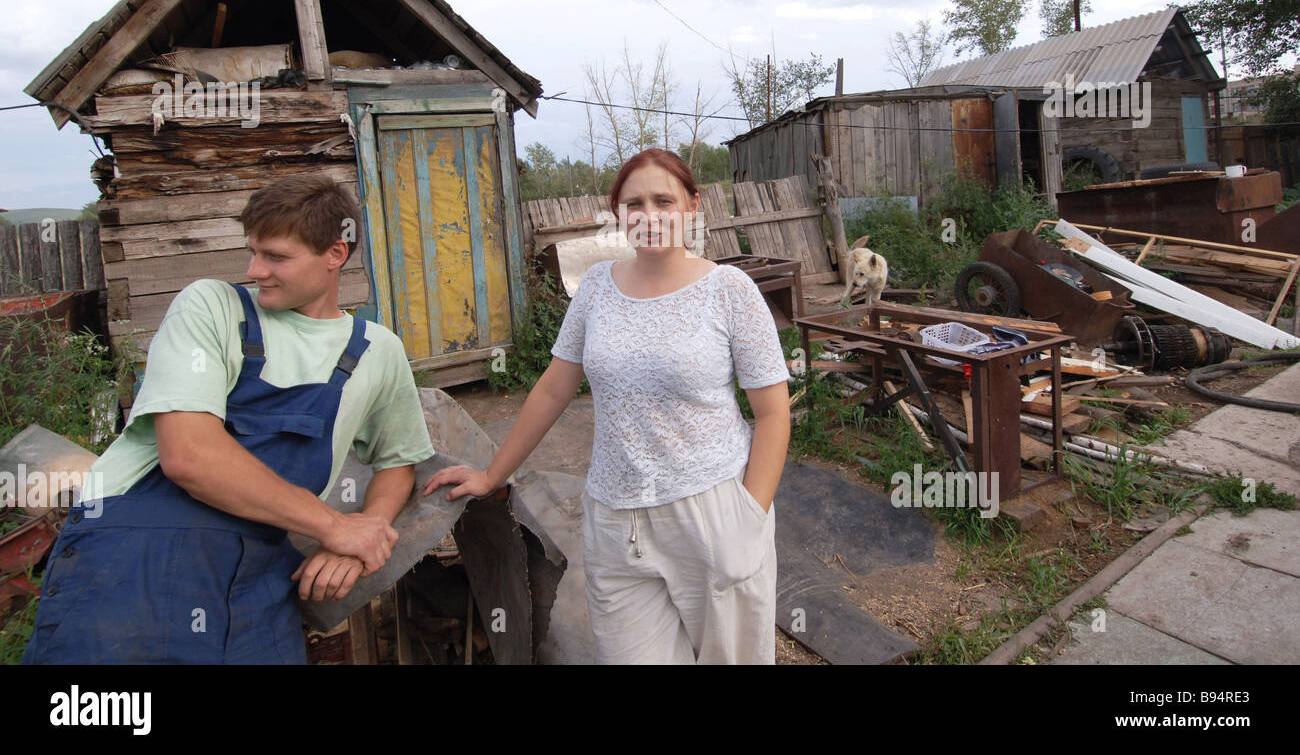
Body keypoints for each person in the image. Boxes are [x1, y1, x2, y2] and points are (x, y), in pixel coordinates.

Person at [23, 173, 433, 664]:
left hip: (256, 577)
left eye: (275, 256)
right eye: (252, 251)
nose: (255, 270)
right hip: (136, 560)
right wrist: (332, 525)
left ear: (335, 254)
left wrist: (366, 528)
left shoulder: (376, 351)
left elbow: (398, 461)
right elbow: (191, 457)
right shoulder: (213, 307)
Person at [425, 148, 790, 664]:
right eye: (634, 203)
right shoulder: (597, 287)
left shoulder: (730, 292)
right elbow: (554, 388)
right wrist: (491, 476)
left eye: (664, 199)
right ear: (617, 211)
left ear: (692, 204)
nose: (649, 215)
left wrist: (749, 518)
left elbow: (773, 414)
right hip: (615, 521)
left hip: (710, 512)